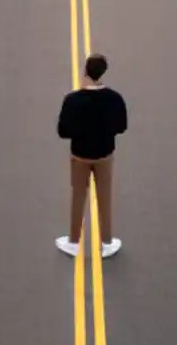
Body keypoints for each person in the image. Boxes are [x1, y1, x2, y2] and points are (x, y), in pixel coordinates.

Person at [56, 53, 127, 258]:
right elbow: (122, 126)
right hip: (105, 155)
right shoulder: (115, 99)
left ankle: (73, 241)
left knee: (78, 196)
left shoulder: (72, 100)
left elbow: (63, 131)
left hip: (80, 156)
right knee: (104, 197)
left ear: (85, 71)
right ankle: (107, 242)